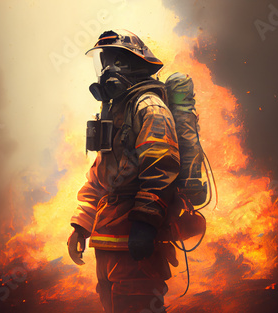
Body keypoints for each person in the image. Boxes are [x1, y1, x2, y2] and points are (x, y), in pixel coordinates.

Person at [67, 29, 180, 313]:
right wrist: (81, 225)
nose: (105, 71)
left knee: (137, 304)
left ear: (132, 64)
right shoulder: (116, 110)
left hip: (134, 240)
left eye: (113, 62)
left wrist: (145, 225)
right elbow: (102, 174)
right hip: (109, 241)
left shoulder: (149, 107)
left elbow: (161, 167)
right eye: (103, 62)